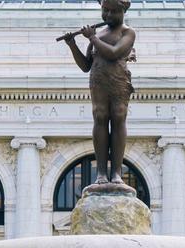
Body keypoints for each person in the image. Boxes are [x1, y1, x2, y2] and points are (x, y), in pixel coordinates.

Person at [62, 0, 136, 184]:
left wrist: (92, 38)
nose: (108, 16)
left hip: (118, 79)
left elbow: (114, 53)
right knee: (100, 116)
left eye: (113, 12)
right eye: (105, 11)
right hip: (98, 80)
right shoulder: (99, 33)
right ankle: (102, 173)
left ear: (123, 11)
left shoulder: (127, 32)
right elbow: (86, 65)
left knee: (118, 117)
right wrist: (72, 44)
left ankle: (116, 172)